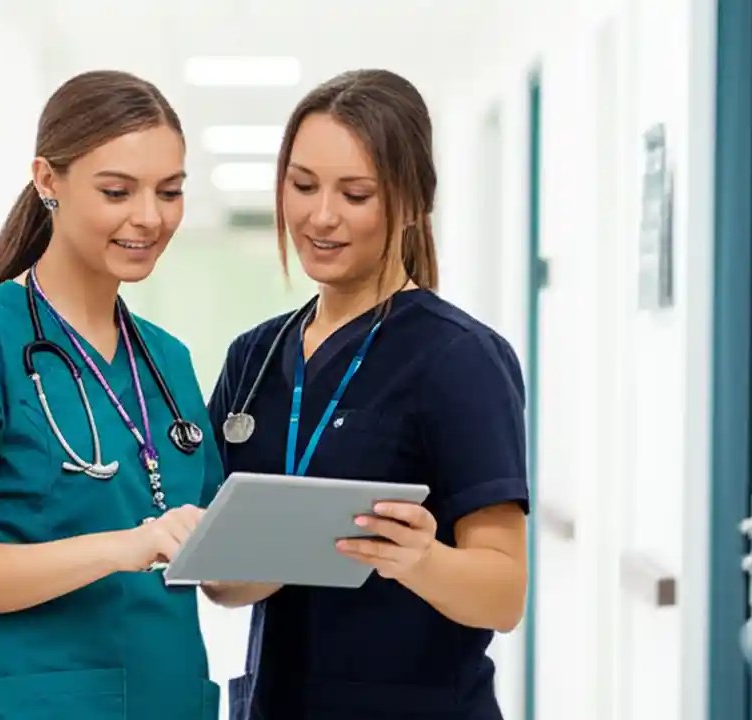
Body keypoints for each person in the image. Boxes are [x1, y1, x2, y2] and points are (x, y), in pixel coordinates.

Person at [201, 69, 530, 720]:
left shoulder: (459, 358)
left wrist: (421, 560)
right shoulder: (254, 358)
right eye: (303, 186)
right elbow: (223, 580)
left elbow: (503, 594)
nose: (321, 216)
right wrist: (241, 564)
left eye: (355, 194)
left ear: (411, 205)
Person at [0, 70, 222, 720]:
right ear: (48, 180)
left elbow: (215, 560)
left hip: (167, 699)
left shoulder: (167, 362)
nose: (150, 217)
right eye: (117, 191)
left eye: (170, 191)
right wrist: (120, 547)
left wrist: (324, 535)